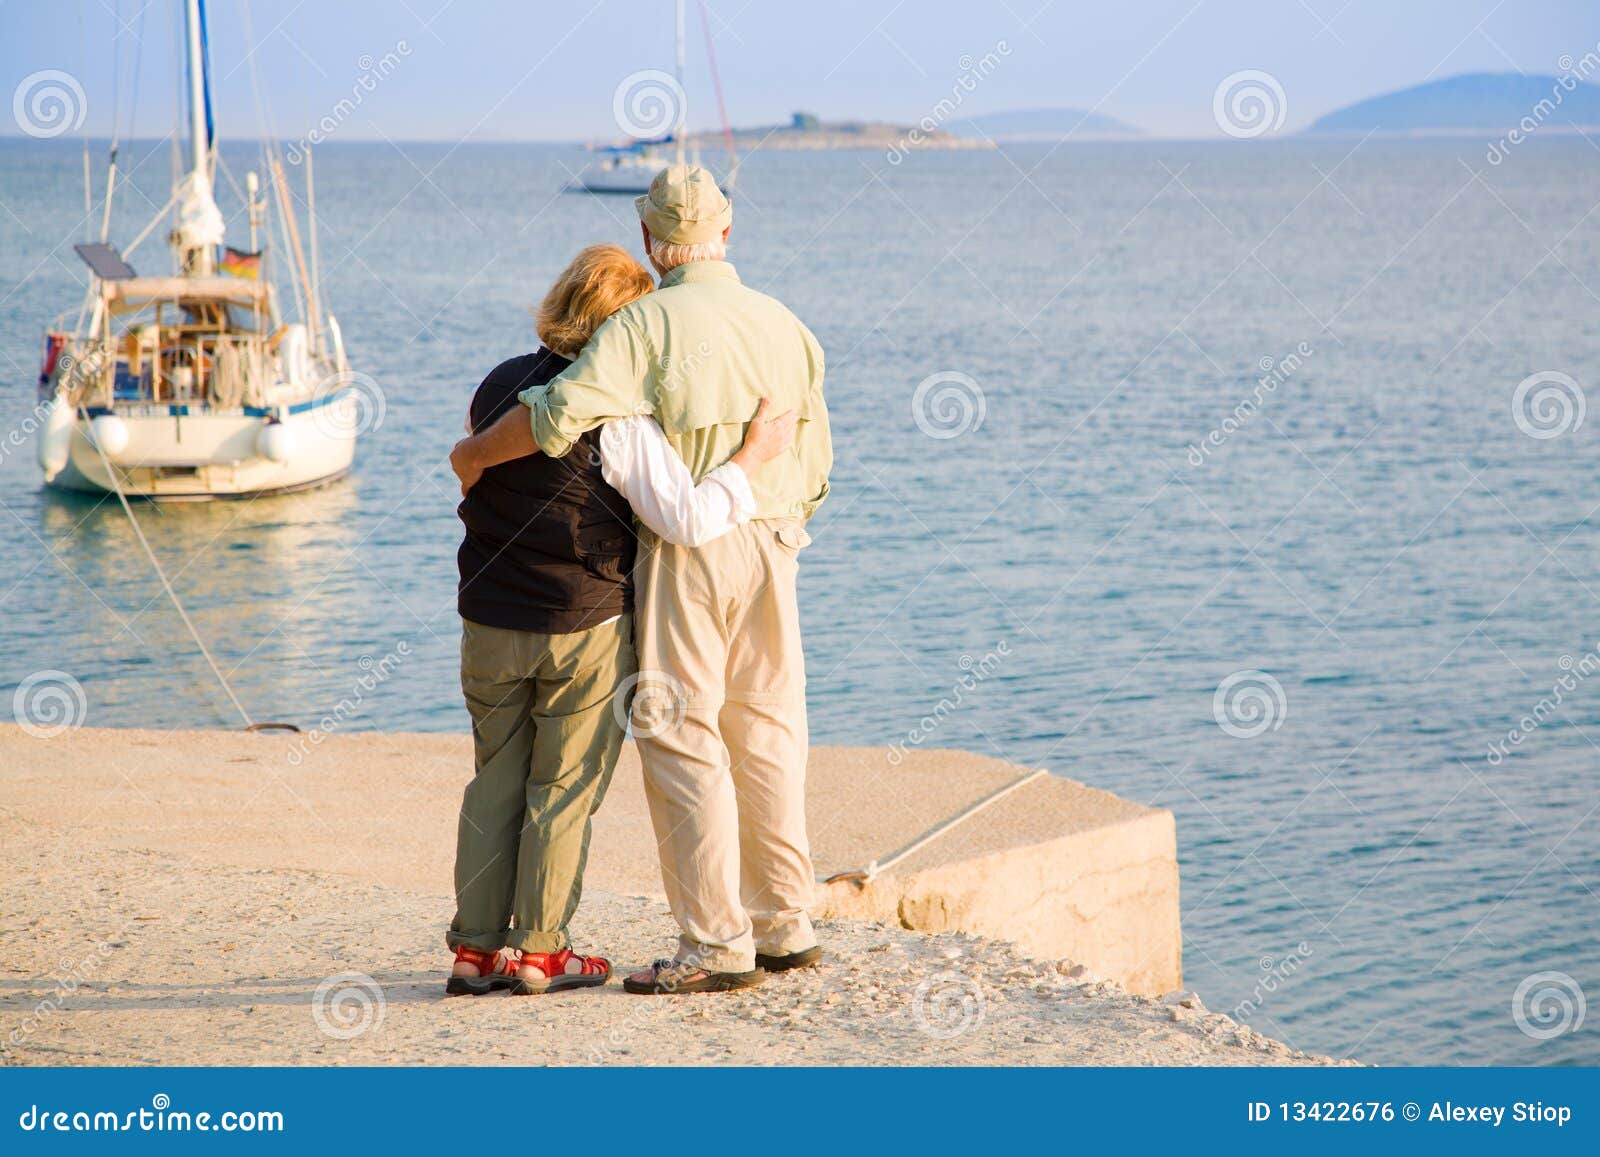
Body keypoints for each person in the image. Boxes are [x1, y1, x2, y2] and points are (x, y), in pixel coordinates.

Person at [451, 165, 832, 995]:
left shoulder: (645, 324)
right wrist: (781, 516)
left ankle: (716, 942)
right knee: (769, 729)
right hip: (776, 539)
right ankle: (787, 923)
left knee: (682, 734)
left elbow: (558, 414)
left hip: (694, 548)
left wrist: (476, 454)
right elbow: (819, 463)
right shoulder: (788, 325)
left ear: (656, 244)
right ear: (727, 234)